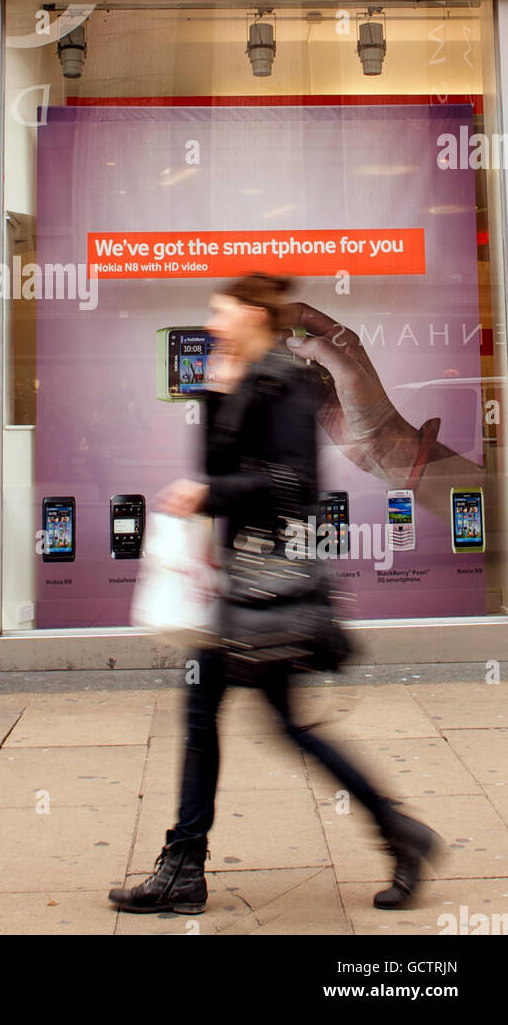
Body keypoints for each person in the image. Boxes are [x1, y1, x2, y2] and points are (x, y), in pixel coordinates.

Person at [109, 272, 441, 917]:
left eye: (222, 309)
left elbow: (295, 483)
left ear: (255, 314)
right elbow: (217, 468)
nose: (212, 321)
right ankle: (186, 865)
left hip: (270, 585)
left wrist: (212, 494)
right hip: (234, 584)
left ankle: (400, 835)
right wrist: (216, 395)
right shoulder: (237, 377)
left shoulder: (286, 381)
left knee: (271, 724)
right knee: (222, 718)